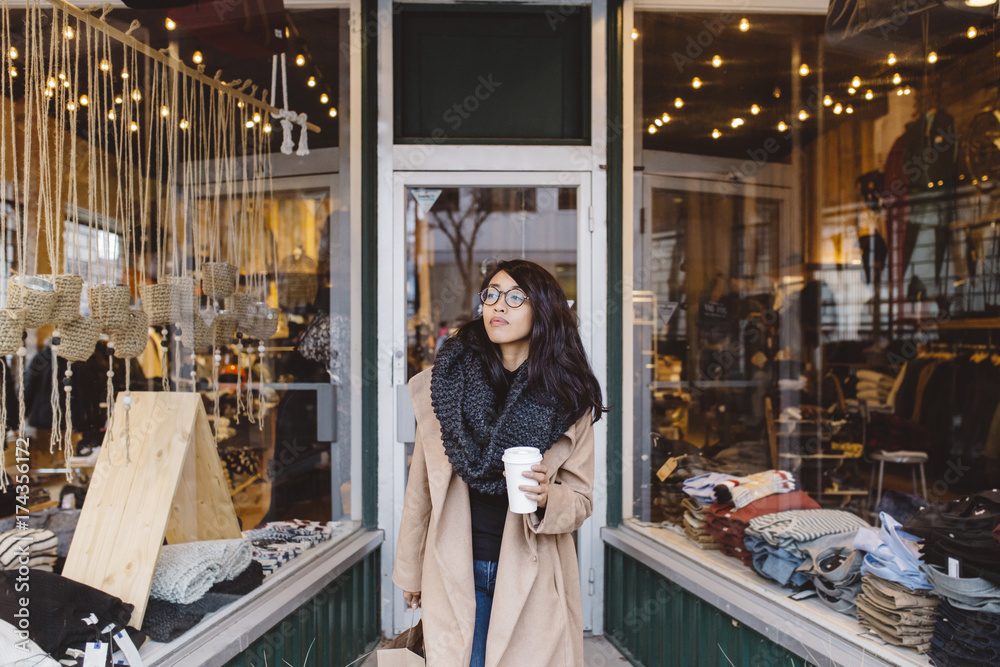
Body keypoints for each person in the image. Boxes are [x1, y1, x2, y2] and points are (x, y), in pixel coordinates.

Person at [393, 259, 604, 667]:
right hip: (453, 566)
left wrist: (547, 497)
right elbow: (421, 488)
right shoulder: (447, 384)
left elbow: (581, 500)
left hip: (531, 572)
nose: (497, 306)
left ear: (542, 309)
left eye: (513, 297)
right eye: (490, 295)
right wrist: (410, 572)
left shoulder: (566, 398)